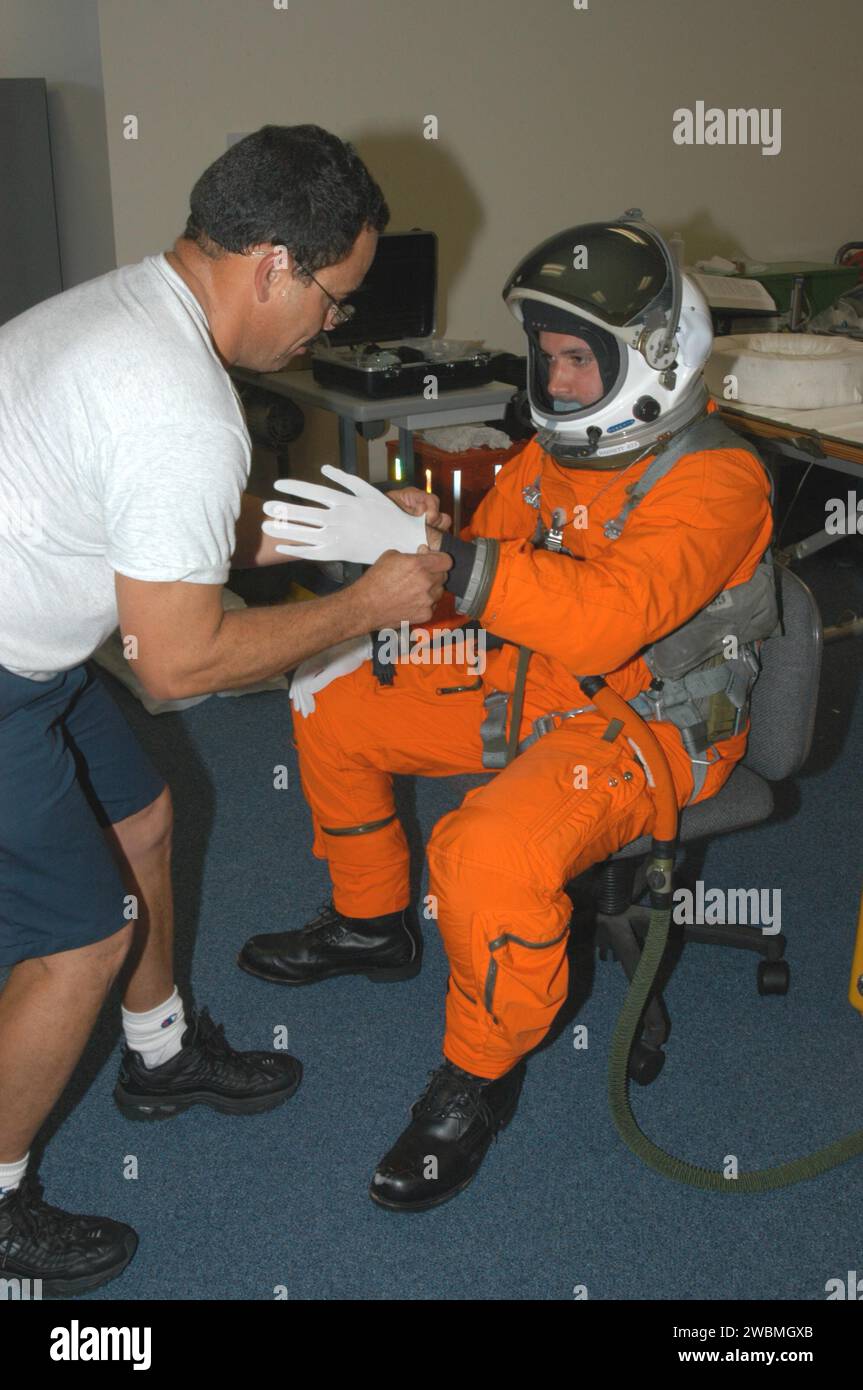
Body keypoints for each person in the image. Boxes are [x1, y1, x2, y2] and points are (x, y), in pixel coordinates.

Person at [239, 213, 777, 1211]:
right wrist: (412, 538)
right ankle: (369, 924)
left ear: (654, 357)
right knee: (331, 699)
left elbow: (607, 618)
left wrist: (462, 566)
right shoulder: (557, 458)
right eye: (548, 355)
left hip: (652, 724)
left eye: (581, 358)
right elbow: (487, 563)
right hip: (536, 682)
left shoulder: (717, 479)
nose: (559, 380)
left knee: (481, 852)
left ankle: (475, 1079)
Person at [0, 123, 450, 1294]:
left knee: (143, 814)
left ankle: (158, 1057)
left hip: (31, 649)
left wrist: (348, 534)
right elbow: (177, 664)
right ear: (274, 266)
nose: (329, 327)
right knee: (79, 936)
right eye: (335, 300)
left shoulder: (134, 307)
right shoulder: (180, 408)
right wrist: (365, 603)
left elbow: (168, 536)